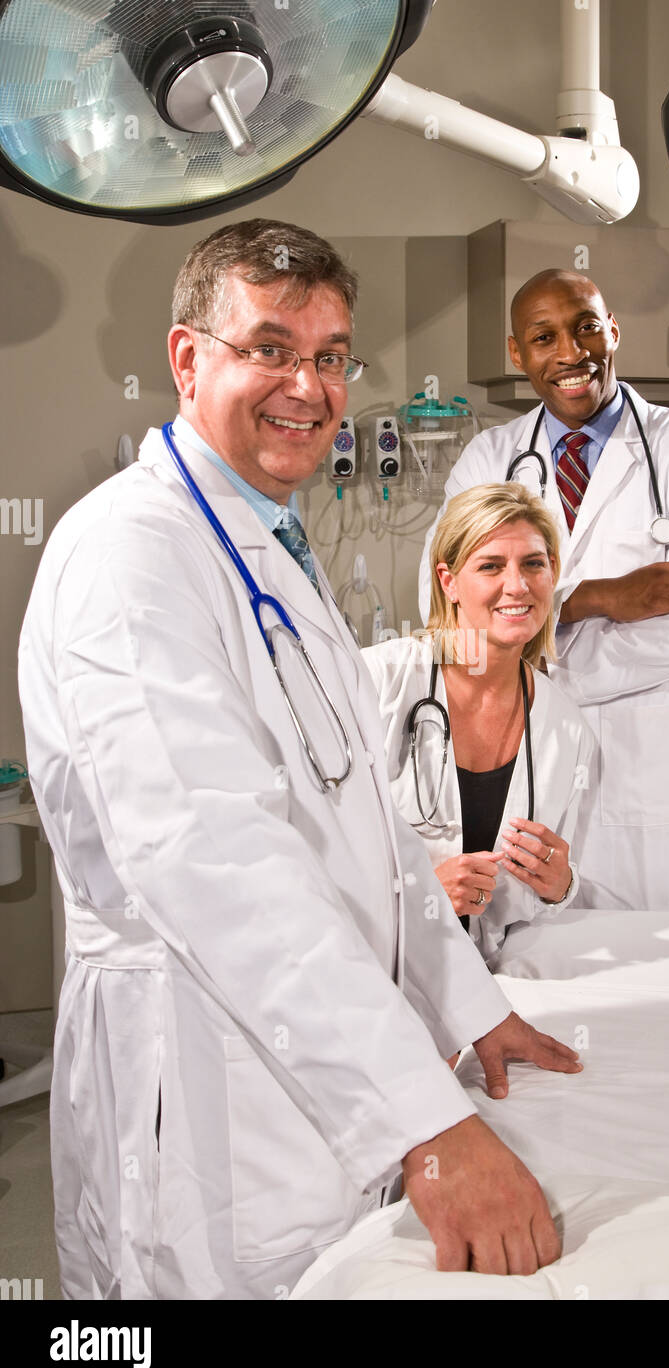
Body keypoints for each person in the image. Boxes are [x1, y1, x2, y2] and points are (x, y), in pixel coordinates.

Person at [17, 220, 583, 1299]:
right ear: (188, 360)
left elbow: (362, 828)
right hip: (200, 1072)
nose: (308, 386)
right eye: (269, 347)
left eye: (329, 356)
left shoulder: (268, 540)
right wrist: (428, 1127)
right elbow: (216, 865)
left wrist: (469, 1006)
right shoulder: (128, 555)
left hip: (310, 1064)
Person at [419, 269, 669, 911]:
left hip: (654, 768)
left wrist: (534, 654)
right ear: (518, 353)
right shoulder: (491, 460)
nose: (571, 353)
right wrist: (597, 597)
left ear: (613, 332)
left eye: (586, 327)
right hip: (527, 765)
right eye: (544, 337)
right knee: (543, 979)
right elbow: (448, 609)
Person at [363, 483, 594, 961]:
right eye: (491, 566)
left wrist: (561, 885)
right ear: (448, 581)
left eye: (534, 563)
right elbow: (304, 847)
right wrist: (412, 895)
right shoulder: (375, 682)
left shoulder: (564, 726)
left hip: (493, 983)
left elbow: (546, 903)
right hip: (374, 970)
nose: (518, 585)